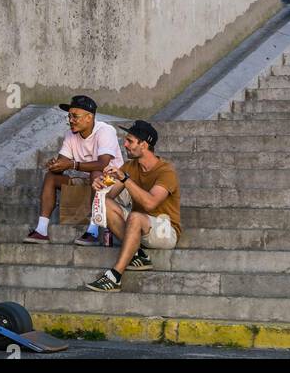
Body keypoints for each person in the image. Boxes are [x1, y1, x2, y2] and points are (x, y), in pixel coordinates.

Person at [85, 121, 180, 292]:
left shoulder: (166, 171)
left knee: (136, 216)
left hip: (164, 230)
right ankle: (137, 254)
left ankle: (115, 276)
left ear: (143, 145)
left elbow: (150, 203)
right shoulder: (129, 166)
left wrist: (125, 179)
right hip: (137, 226)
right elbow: (109, 197)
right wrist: (100, 186)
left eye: (129, 141)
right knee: (104, 202)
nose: (125, 144)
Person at [24, 94, 123, 246]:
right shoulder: (71, 135)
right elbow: (63, 162)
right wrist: (55, 165)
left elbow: (103, 164)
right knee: (51, 177)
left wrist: (72, 165)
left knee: (97, 174)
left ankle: (93, 231)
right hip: (89, 181)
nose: (70, 120)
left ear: (89, 117)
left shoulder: (105, 131)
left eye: (75, 116)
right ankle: (41, 230)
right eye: (69, 116)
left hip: (114, 182)